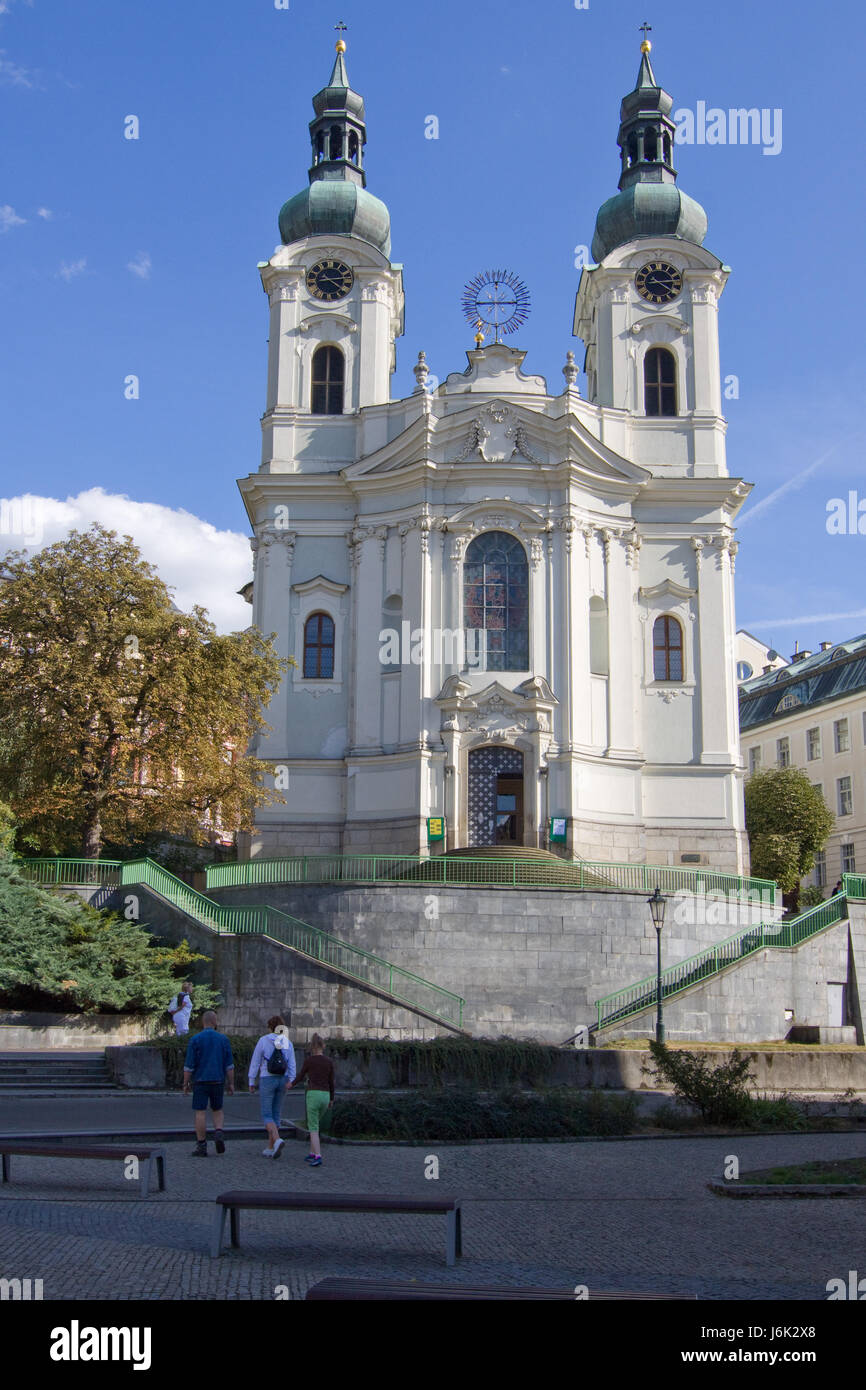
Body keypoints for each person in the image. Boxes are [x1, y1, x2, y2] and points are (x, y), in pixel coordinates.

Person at [182, 1010, 234, 1157]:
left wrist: (185, 1083)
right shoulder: (223, 1040)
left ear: (203, 1022)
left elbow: (188, 1066)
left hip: (200, 1081)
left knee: (200, 1112)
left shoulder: (195, 1039)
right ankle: (218, 1131)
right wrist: (231, 1083)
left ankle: (202, 1145)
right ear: (214, 1021)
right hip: (218, 1080)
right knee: (217, 1109)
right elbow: (229, 1066)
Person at [248, 1015, 296, 1159]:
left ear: (270, 1027)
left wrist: (251, 1081)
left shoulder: (263, 1040)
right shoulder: (287, 1042)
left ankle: (277, 1139)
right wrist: (291, 1080)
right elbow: (292, 1064)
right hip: (283, 1079)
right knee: (276, 1113)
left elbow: (255, 1062)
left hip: (267, 1078)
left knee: (267, 1114)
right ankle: (271, 1147)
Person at [290, 1034, 334, 1167]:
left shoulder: (309, 1061)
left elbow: (301, 1076)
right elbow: (331, 1082)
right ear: (323, 1046)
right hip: (325, 1095)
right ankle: (312, 1152)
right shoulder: (329, 1062)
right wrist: (332, 1098)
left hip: (313, 1094)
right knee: (316, 1123)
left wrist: (291, 1084)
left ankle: (318, 1155)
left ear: (312, 1047)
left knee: (313, 1126)